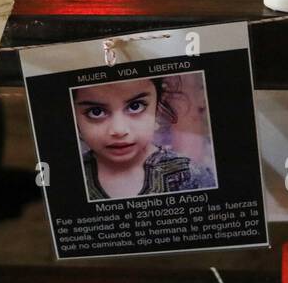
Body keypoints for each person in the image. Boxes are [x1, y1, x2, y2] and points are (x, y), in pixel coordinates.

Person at [71, 77, 216, 201]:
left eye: (135, 106)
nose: (119, 130)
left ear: (157, 108)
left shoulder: (191, 177)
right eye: (96, 112)